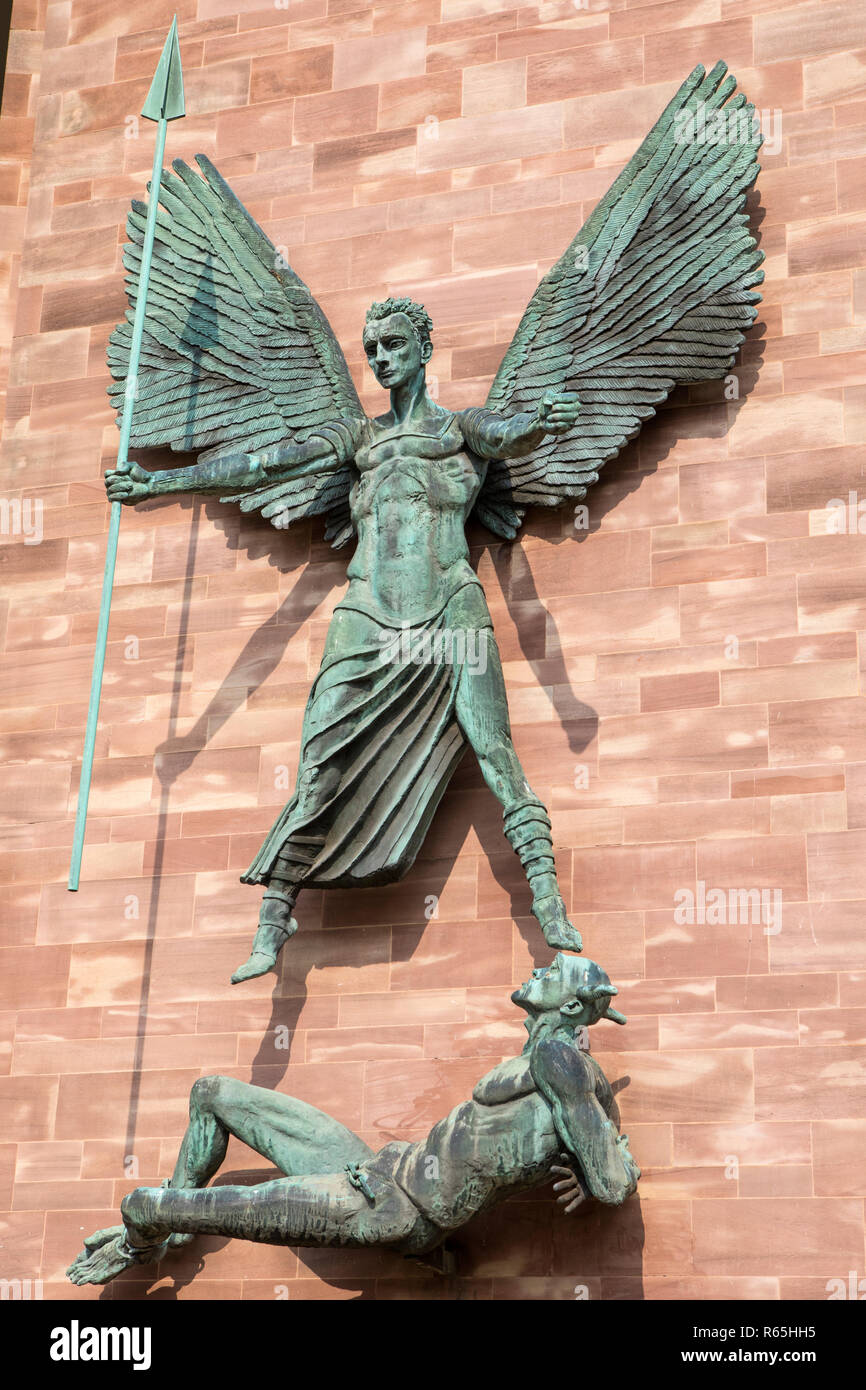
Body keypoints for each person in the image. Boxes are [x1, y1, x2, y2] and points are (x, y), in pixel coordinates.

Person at [66, 954, 639, 1285]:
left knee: (142, 1204)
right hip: (375, 1170)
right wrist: (600, 1157)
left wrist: (608, 1169)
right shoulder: (552, 1066)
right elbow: (603, 1143)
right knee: (212, 1094)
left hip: (388, 1211)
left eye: (554, 972)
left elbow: (612, 1179)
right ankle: (176, 1222)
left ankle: (142, 1241)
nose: (540, 968)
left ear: (569, 1008)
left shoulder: (559, 1058)